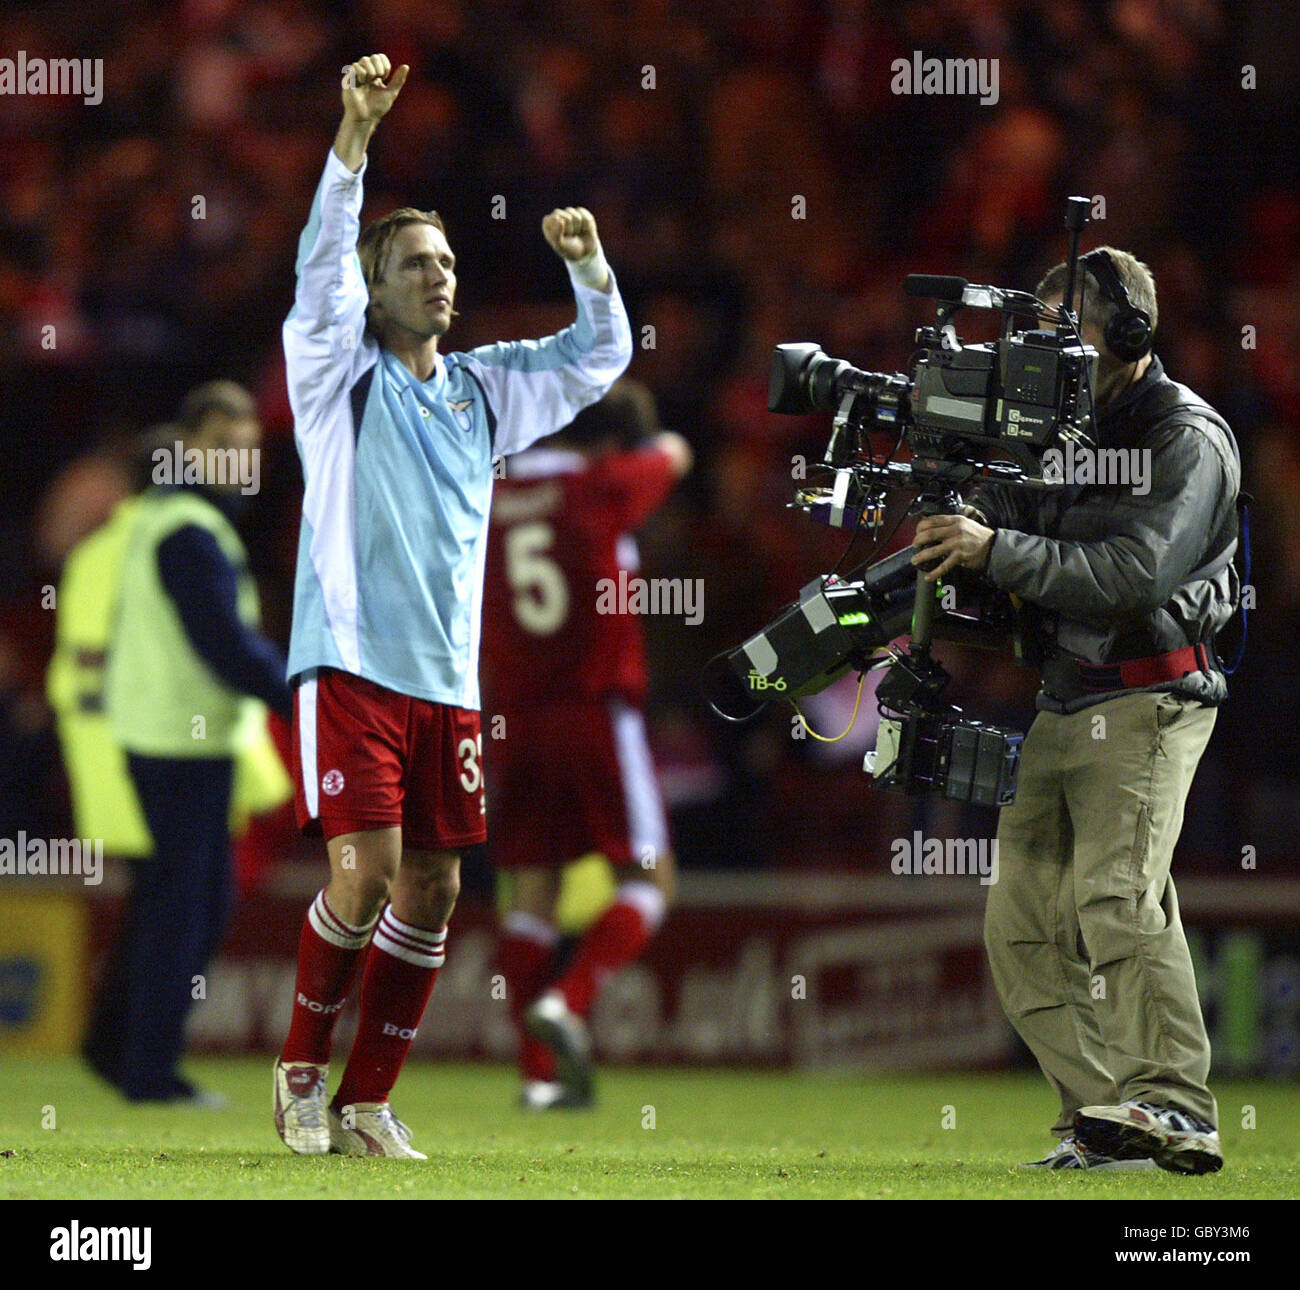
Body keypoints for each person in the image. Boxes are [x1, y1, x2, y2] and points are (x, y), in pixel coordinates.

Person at [273, 54, 631, 1157]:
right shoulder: (336, 375)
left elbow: (598, 358)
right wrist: (353, 139)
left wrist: (591, 269)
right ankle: (298, 1072)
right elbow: (322, 264)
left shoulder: (480, 390)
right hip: (349, 662)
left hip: (449, 685)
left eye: (444, 262)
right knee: (367, 874)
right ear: (374, 292)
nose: (436, 277)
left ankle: (367, 1101)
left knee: (431, 894)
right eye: (415, 264)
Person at [912, 247, 1240, 1174]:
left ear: (1130, 335)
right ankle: (1106, 1120)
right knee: (1020, 925)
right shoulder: (1065, 433)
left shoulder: (1186, 435)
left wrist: (994, 549)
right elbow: (1011, 531)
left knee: (1116, 896)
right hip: (1067, 699)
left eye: (1067, 335)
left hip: (1152, 692)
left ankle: (1175, 1105)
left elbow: (1136, 574)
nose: (1045, 356)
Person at [481, 380, 691, 1109]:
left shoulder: (492, 484)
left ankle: (536, 1079)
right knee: (649, 881)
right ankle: (567, 1002)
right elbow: (673, 456)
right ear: (607, 444)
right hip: (594, 712)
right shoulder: (600, 483)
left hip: (512, 718)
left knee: (531, 893)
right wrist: (655, 442)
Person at [92, 383, 293, 1103]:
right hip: (180, 741)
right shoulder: (188, 527)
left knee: (168, 901)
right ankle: (148, 1069)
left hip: (166, 734)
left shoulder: (170, 516)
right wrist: (302, 698)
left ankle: (115, 1050)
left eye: (247, 449)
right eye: (222, 446)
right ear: (187, 448)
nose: (238, 461)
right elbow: (225, 646)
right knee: (191, 906)